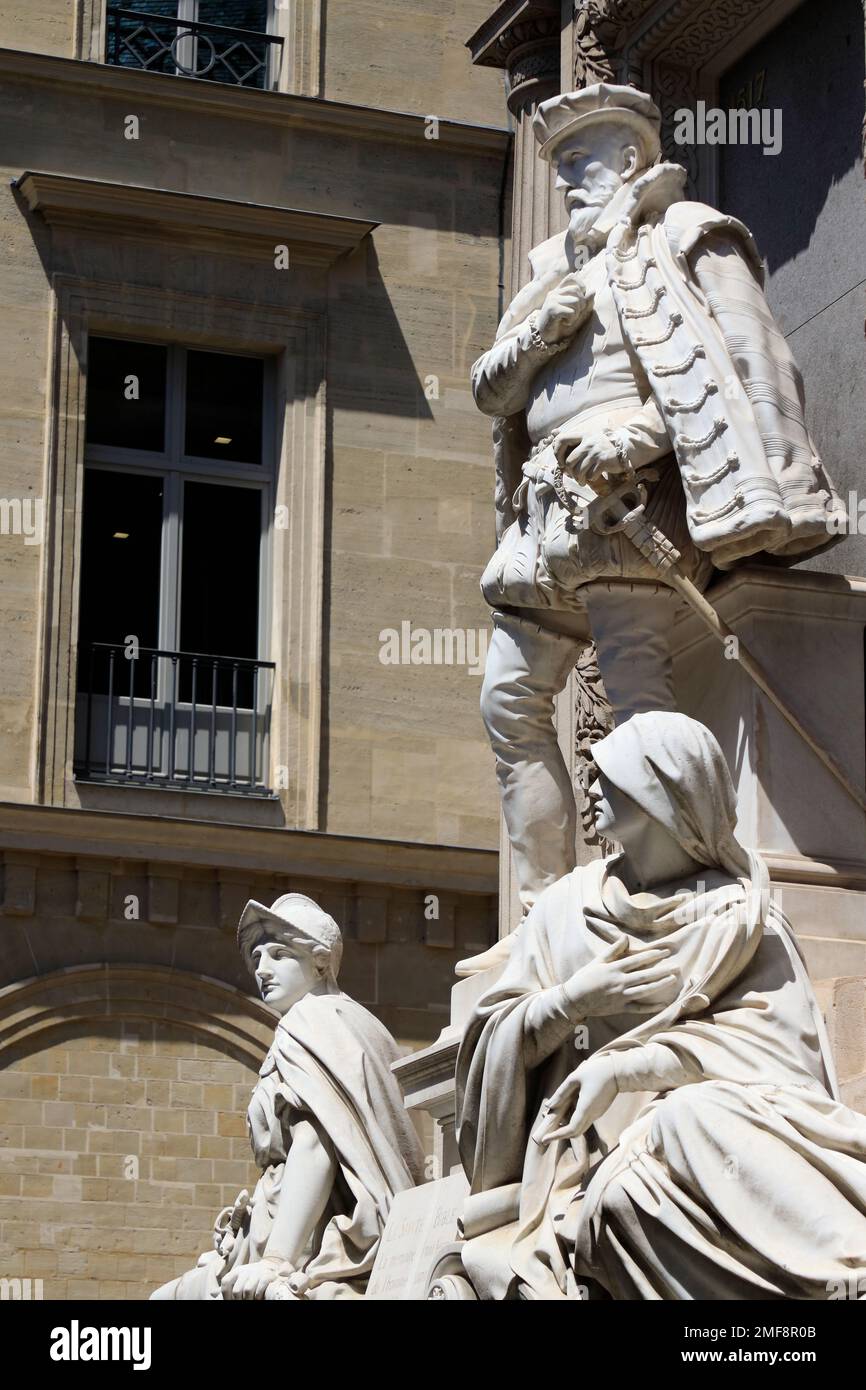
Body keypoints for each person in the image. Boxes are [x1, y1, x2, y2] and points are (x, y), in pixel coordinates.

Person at [472, 83, 845, 912]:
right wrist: (538, 334)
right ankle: (545, 912)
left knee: (639, 701)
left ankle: (665, 890)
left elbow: (746, 361)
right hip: (543, 514)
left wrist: (640, 433)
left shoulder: (685, 233)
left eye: (581, 160)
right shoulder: (548, 274)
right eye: (558, 164)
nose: (566, 179)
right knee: (508, 701)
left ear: (633, 159)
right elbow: (491, 393)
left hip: (633, 503)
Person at [455, 712, 866, 1300]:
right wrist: (572, 1002)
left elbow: (781, 1067)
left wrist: (624, 1068)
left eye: (608, 775)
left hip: (703, 1139)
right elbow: (492, 1036)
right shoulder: (566, 908)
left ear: (660, 791)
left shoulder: (742, 919)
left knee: (685, 1120)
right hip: (586, 1157)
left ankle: (839, 1276)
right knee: (625, 1189)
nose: (588, 786)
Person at [151, 893, 424, 1300]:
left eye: (279, 954)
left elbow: (317, 1146)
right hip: (282, 1223)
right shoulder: (352, 1022)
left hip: (310, 1239)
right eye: (257, 956)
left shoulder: (311, 1021)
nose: (261, 968)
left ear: (320, 961)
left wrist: (276, 1259)